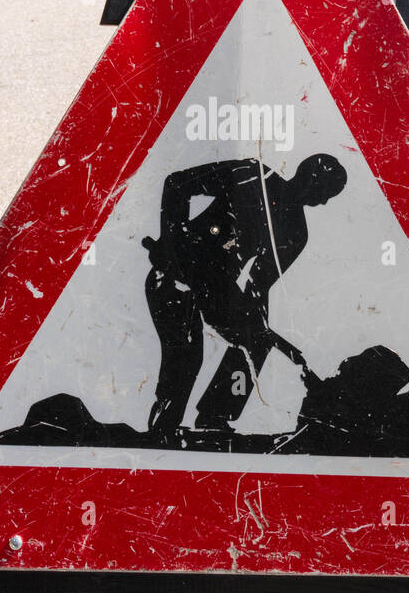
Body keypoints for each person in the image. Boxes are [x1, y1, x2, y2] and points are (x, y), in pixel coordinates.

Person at [143, 154, 347, 444]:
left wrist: (260, 333)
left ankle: (215, 417)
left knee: (256, 338)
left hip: (216, 287)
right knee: (187, 355)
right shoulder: (252, 174)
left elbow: (258, 288)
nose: (324, 202)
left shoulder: (295, 233)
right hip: (173, 275)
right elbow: (177, 183)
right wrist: (173, 241)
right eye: (326, 192)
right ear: (311, 178)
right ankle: (162, 430)